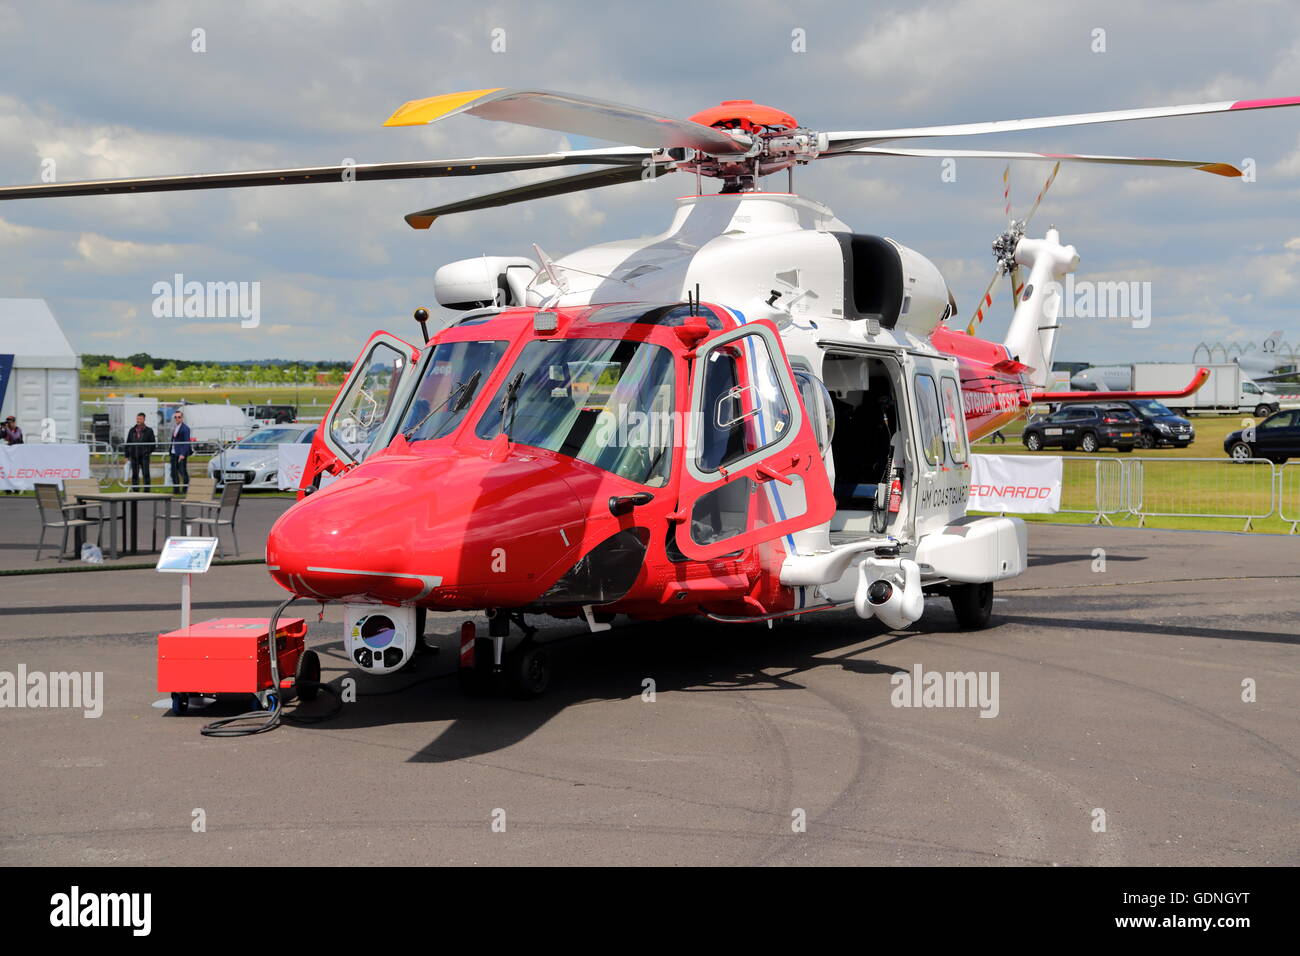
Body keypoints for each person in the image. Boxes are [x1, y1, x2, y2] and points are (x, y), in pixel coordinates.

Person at [125, 412, 156, 491]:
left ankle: (147, 491)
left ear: (144, 419)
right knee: (135, 474)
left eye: (140, 419)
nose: (138, 420)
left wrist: (147, 452)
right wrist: (126, 455)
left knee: (146, 474)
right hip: (134, 456)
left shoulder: (149, 431)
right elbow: (128, 443)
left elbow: (153, 444)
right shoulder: (132, 430)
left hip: (144, 457)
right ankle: (135, 490)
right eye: (137, 418)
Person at [169, 411, 192, 495]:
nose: (177, 418)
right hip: (174, 453)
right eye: (176, 417)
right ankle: (176, 489)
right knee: (173, 472)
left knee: (182, 472)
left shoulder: (185, 428)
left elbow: (186, 442)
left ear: (182, 418)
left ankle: (185, 489)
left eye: (179, 417)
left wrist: (182, 454)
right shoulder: (175, 427)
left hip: (181, 454)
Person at [1, 415, 20, 493]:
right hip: (9, 454)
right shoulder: (6, 430)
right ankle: (7, 489)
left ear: (14, 423)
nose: (9, 424)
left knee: (15, 471)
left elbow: (15, 438)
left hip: (18, 453)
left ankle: (17, 489)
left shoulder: (18, 429)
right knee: (6, 470)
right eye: (8, 423)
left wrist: (7, 429)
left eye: (10, 422)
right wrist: (1, 428)